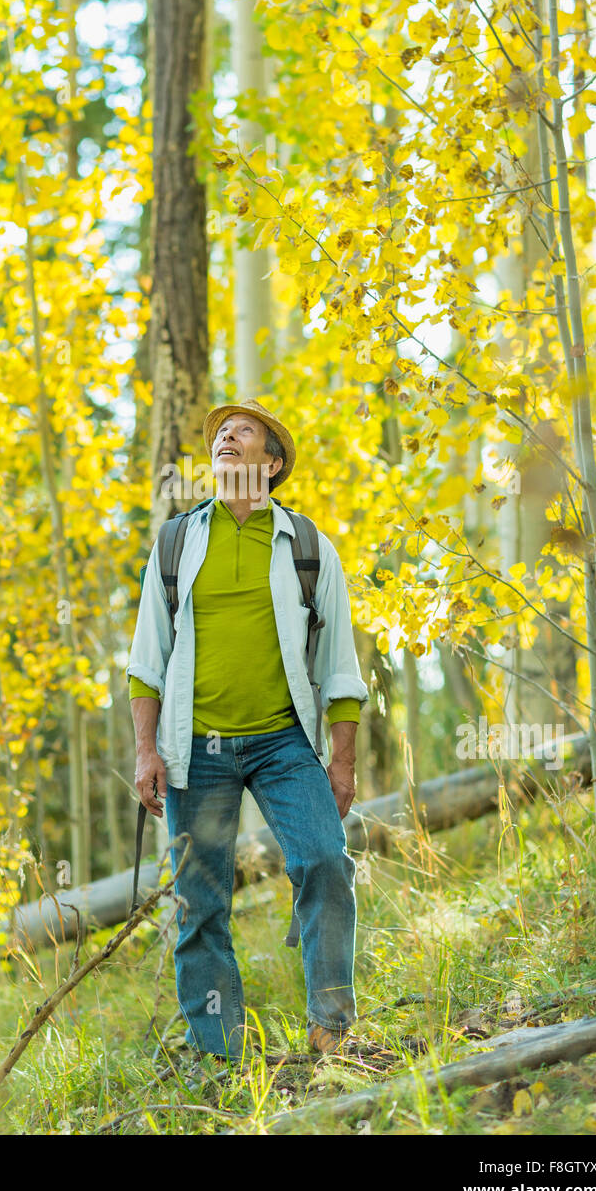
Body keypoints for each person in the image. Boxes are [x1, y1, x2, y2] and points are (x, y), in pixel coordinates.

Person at [127, 397, 369, 1059]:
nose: (227, 438)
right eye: (221, 434)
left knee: (324, 858)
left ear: (273, 461)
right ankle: (221, 1055)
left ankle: (333, 1027)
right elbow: (147, 662)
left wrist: (342, 762)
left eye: (245, 432)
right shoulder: (177, 542)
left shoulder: (309, 545)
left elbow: (341, 668)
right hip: (194, 749)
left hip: (283, 742)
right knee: (200, 904)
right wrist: (146, 750)